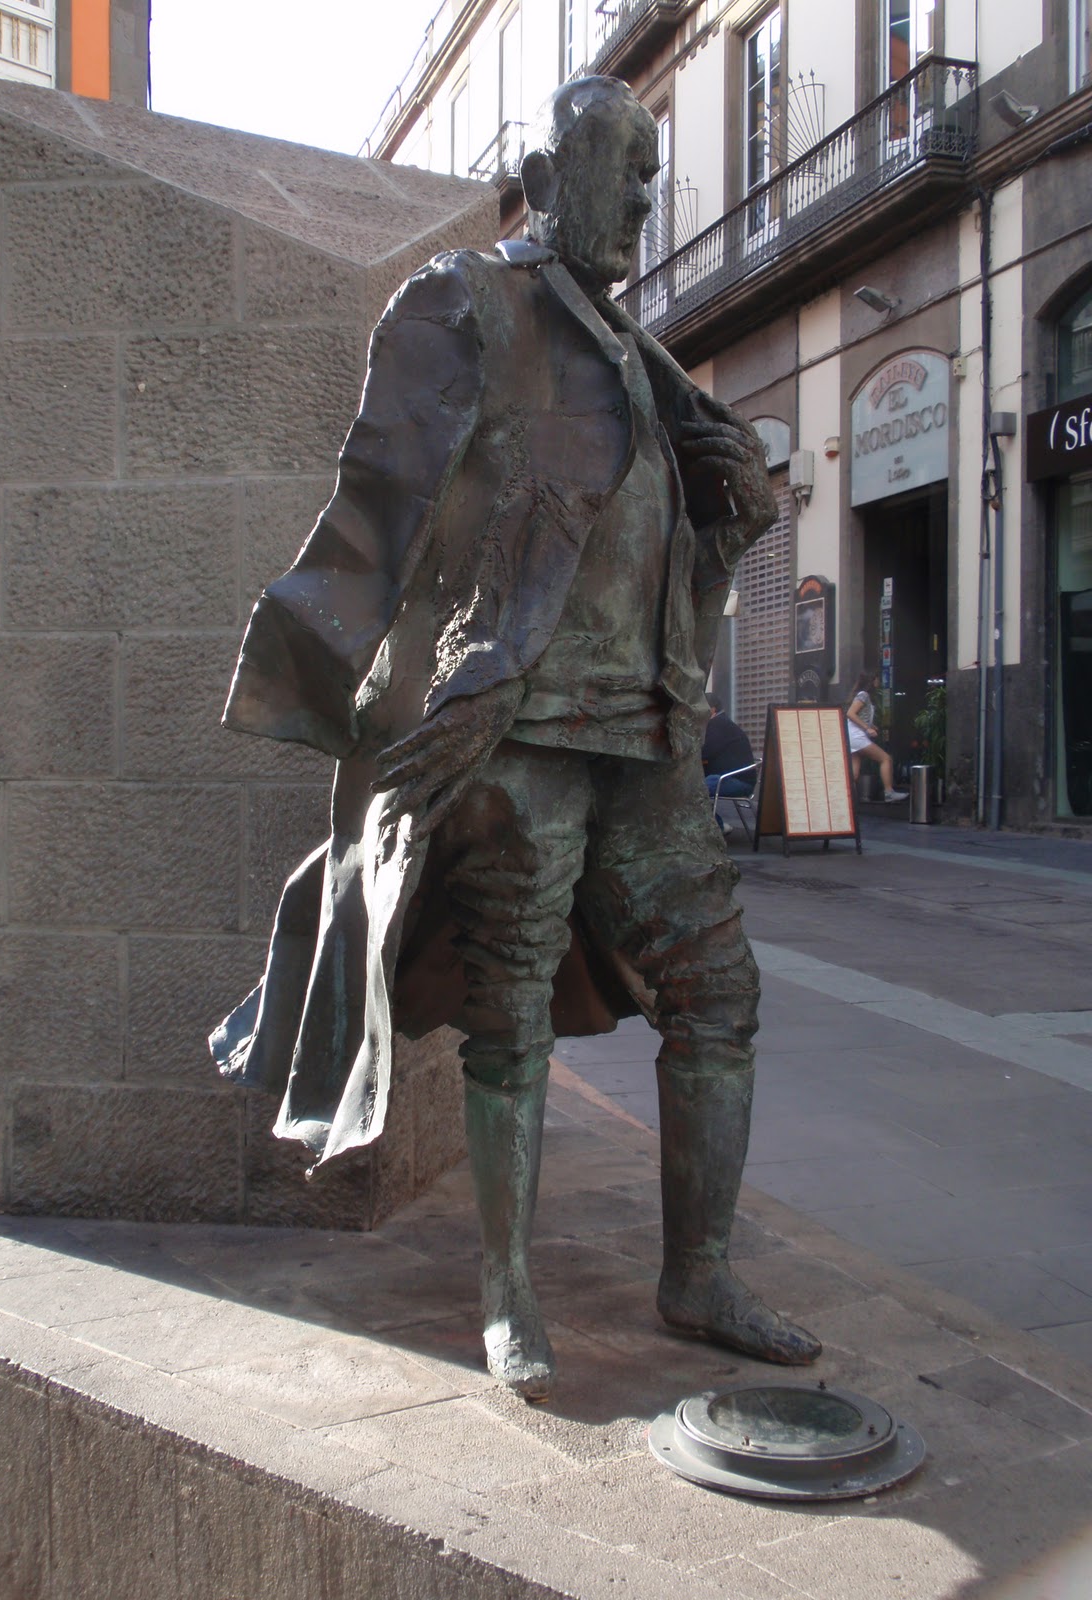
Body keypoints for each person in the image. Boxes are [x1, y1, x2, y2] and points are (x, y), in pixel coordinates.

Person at [210, 76, 820, 1400]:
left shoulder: (636, 350)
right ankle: (508, 1293)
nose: (649, 201)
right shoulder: (470, 303)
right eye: (627, 169)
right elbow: (382, 512)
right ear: (549, 171)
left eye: (659, 178)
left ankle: (698, 1272)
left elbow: (649, 536)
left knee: (720, 992)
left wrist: (733, 518)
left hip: (643, 728)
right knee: (511, 1014)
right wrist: (413, 691)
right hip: (523, 729)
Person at [847, 670, 907, 801]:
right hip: (857, 737)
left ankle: (845, 799)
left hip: (853, 737)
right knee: (886, 759)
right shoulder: (863, 695)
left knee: (854, 774)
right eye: (877, 679)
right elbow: (851, 714)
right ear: (872, 681)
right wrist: (867, 728)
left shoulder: (863, 696)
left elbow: (859, 715)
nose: (879, 682)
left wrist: (871, 725)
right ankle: (889, 792)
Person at [702, 693, 757, 831]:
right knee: (694, 785)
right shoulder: (721, 724)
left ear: (711, 710)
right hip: (730, 778)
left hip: (736, 781)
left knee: (693, 790)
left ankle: (718, 826)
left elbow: (704, 752)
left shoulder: (719, 726)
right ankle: (717, 825)